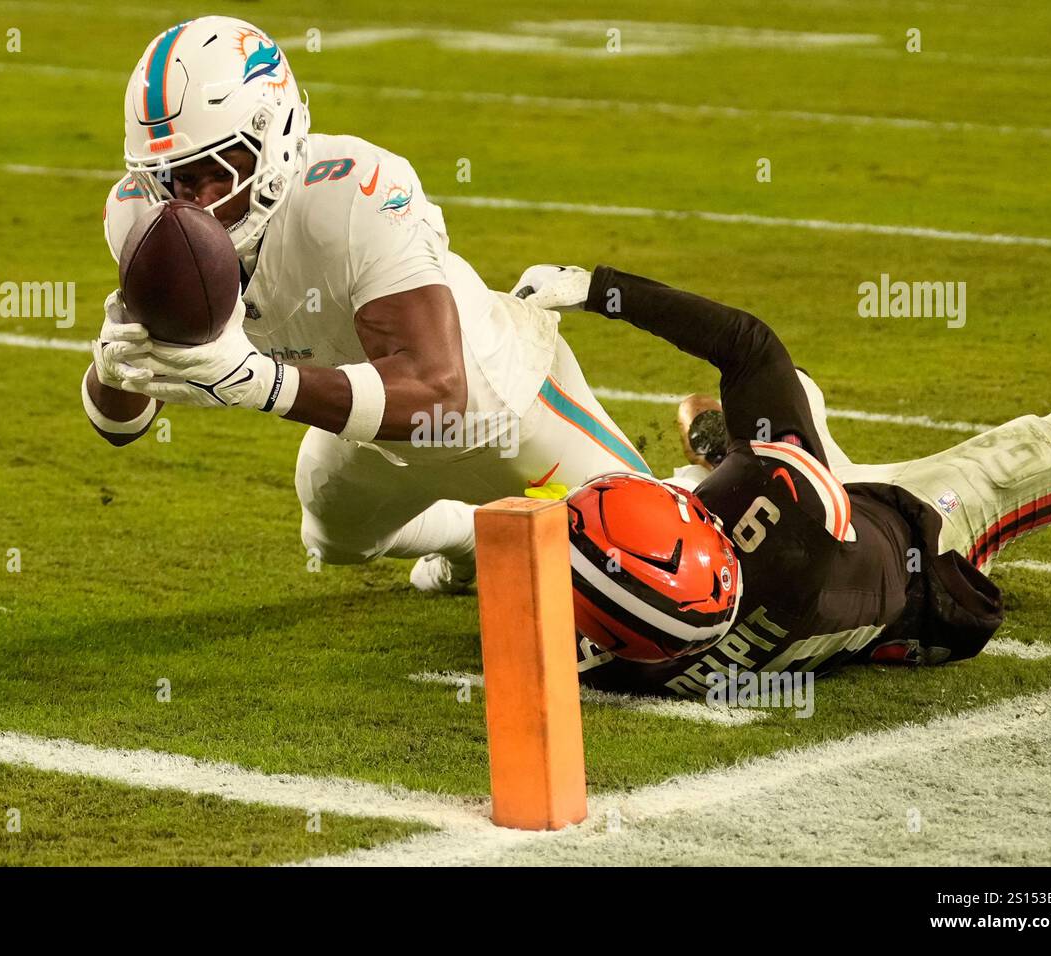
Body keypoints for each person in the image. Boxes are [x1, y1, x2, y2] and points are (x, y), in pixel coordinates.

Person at [82, 17, 649, 593]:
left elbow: (441, 395)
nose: (191, 203)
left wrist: (261, 384)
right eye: (171, 178)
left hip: (505, 403)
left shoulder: (354, 190)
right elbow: (120, 425)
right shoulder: (146, 219)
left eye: (213, 172)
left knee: (658, 559)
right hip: (371, 428)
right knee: (334, 542)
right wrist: (115, 364)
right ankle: (474, 537)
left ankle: (711, 470)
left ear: (274, 139)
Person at [512, 265, 1051, 697]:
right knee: (1026, 454)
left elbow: (566, 571)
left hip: (827, 548)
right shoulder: (789, 510)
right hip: (915, 543)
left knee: (784, 419)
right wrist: (601, 289)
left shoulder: (611, 659)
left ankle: (732, 447)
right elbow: (751, 348)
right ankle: (731, 448)